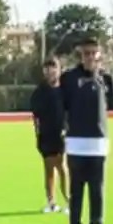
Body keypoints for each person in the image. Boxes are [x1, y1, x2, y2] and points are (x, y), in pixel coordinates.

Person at [60, 37, 113, 224]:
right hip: (76, 141)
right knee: (76, 187)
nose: (90, 57)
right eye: (86, 53)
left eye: (93, 53)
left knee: (97, 187)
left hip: (99, 141)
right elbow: (64, 104)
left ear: (99, 54)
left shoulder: (107, 78)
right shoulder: (69, 78)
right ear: (81, 55)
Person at [30, 56, 68, 213]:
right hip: (45, 134)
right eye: (47, 68)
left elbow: (70, 111)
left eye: (53, 68)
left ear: (59, 70)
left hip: (62, 134)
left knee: (62, 167)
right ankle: (51, 202)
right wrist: (37, 134)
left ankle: (69, 202)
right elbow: (35, 116)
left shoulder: (65, 91)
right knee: (48, 168)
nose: (50, 71)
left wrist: (67, 129)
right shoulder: (39, 92)